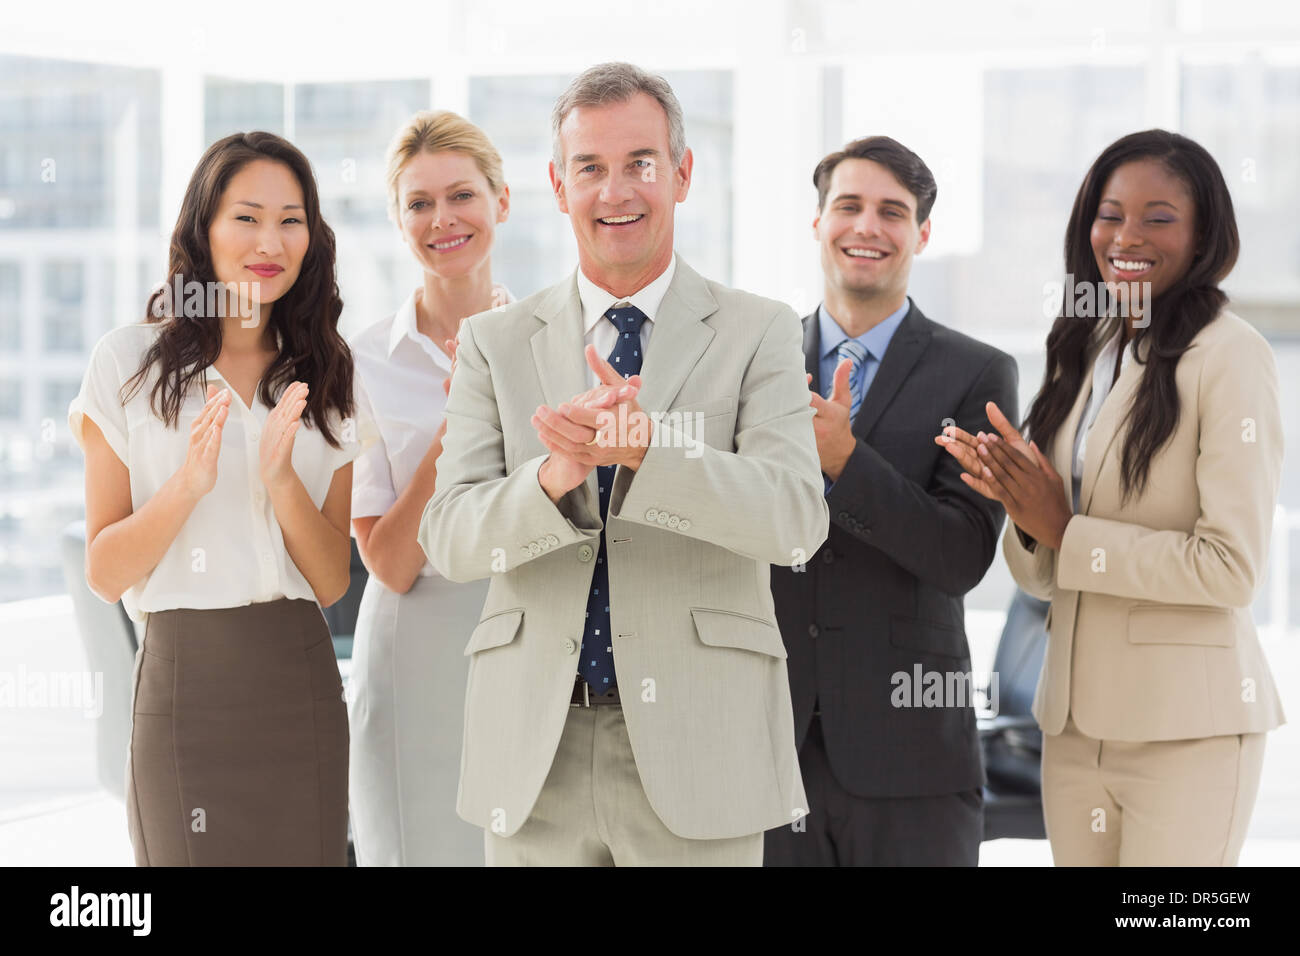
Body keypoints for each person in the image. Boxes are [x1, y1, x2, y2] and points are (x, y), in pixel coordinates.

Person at [419, 61, 828, 866]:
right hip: (535, 751)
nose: (617, 192)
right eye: (590, 168)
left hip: (700, 746)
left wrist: (652, 450)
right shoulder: (495, 344)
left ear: (681, 174)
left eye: (641, 163)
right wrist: (551, 480)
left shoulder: (759, 331)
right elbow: (450, 539)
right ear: (557, 184)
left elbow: (795, 521)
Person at [938, 129, 1285, 866]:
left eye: (1158, 217)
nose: (1127, 235)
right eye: (1110, 213)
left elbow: (1232, 567)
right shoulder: (1087, 348)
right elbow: (1045, 572)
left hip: (1186, 731)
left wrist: (1066, 528)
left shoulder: (1231, 355)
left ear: (1201, 235)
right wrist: (1022, 508)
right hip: (1072, 730)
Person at [67, 131, 374, 865]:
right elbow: (105, 572)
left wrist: (280, 482)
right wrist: (186, 489)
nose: (269, 239)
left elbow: (332, 580)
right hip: (183, 687)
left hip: (297, 685)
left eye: (291, 219)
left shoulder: (329, 374)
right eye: (246, 216)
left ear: (312, 237)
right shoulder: (127, 364)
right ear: (203, 228)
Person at [765, 136, 1018, 866]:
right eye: (848, 206)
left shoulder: (976, 372)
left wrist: (846, 460)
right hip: (771, 747)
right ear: (818, 223)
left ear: (921, 234)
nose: (867, 227)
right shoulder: (759, 357)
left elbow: (961, 554)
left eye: (892, 212)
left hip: (913, 760)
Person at [347, 110, 513, 866]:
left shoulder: (563, 343)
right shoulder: (362, 364)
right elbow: (387, 561)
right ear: (398, 220)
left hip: (529, 640)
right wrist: (458, 423)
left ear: (501, 202)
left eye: (462, 196)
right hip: (411, 644)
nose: (442, 219)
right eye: (419, 203)